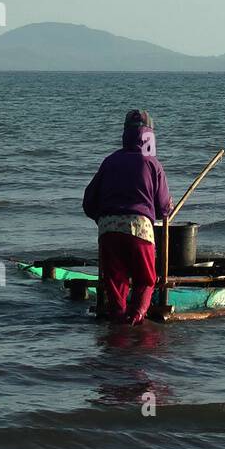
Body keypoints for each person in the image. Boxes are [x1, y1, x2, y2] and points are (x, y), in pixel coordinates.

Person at [82, 110, 174, 325]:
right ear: (149, 135)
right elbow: (162, 207)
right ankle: (137, 317)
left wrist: (102, 219)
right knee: (146, 279)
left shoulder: (110, 161)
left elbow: (88, 202)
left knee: (116, 280)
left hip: (108, 229)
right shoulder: (152, 163)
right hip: (138, 228)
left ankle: (118, 319)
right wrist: (166, 209)